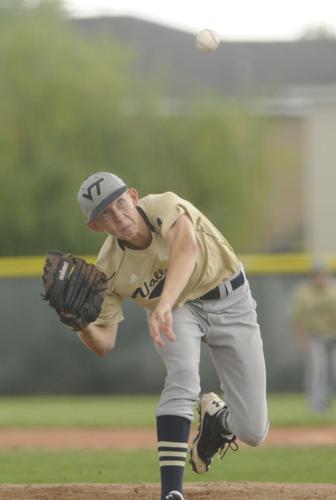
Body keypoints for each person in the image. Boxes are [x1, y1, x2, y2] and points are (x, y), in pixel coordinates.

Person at [76, 171, 269, 500]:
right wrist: (79, 323)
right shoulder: (107, 269)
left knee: (253, 430)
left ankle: (217, 421)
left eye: (120, 203)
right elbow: (105, 343)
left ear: (133, 196)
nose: (118, 215)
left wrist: (163, 303)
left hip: (230, 299)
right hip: (177, 312)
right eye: (104, 214)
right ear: (95, 226)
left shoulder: (162, 205)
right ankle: (172, 493)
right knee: (182, 381)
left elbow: (187, 246)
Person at [292, 262, 336, 413]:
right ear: (312, 277)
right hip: (315, 336)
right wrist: (301, 338)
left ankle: (326, 401)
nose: (320, 278)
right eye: (317, 275)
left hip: (333, 335)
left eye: (323, 274)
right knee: (318, 370)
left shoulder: (333, 289)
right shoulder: (304, 292)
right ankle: (317, 406)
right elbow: (297, 318)